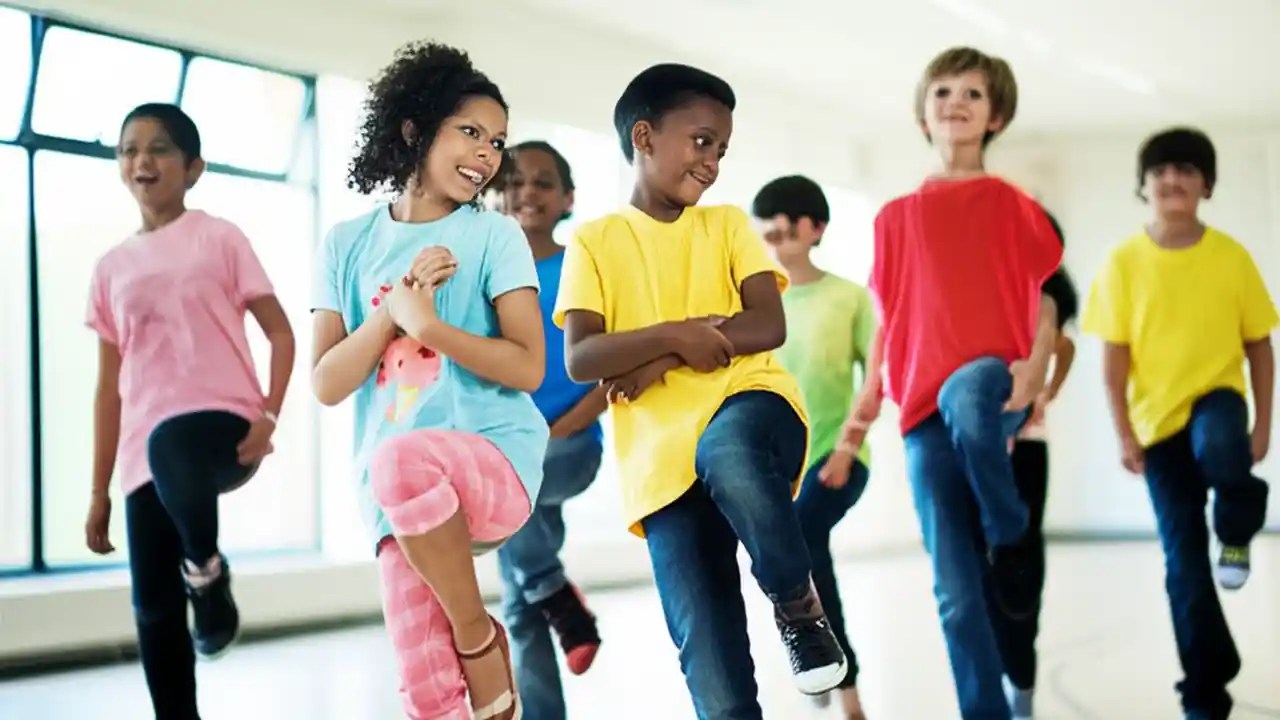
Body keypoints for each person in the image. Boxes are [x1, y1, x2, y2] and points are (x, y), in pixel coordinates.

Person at [554, 63, 847, 720]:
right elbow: (582, 356)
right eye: (701, 141)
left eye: (721, 149)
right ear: (645, 136)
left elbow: (766, 325)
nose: (712, 162)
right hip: (659, 465)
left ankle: (799, 608)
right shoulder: (595, 241)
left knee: (730, 455)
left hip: (751, 402)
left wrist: (654, 359)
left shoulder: (728, 227)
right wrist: (680, 335)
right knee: (711, 667)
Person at [310, 42, 548, 720]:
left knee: (402, 459)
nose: (487, 154)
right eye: (470, 132)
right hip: (393, 494)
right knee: (425, 690)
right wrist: (391, 312)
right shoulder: (346, 244)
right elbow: (327, 382)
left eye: (497, 141)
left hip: (493, 461)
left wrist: (431, 326)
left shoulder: (495, 238)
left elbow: (528, 364)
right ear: (415, 130)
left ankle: (477, 636)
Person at [844, 46, 1063, 719]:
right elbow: (889, 311)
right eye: (942, 91)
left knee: (969, 397)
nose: (956, 102)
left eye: (972, 93)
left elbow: (1048, 300)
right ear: (923, 113)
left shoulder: (1015, 205)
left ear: (995, 115)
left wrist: (1036, 368)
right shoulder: (893, 218)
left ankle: (1005, 522)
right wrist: (869, 394)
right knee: (956, 592)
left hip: (992, 382)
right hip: (918, 406)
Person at [84, 102, 295, 720]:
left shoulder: (219, 237)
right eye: (128, 149)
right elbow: (108, 386)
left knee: (170, 442)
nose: (140, 161)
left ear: (193, 167)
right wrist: (99, 491)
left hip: (222, 428)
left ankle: (204, 573)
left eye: (158, 149)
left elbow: (281, 333)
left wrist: (271, 416)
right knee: (151, 605)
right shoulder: (110, 269)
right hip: (144, 450)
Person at [1081, 126, 1275, 720]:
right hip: (1156, 428)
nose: (1172, 180)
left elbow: (1260, 348)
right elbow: (1113, 359)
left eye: (1186, 170)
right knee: (1184, 565)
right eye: (1161, 171)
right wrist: (1124, 434)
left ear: (1206, 185)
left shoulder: (1231, 256)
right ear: (1144, 186)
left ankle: (1237, 530)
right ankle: (1205, 687)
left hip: (1217, 400)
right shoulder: (1123, 262)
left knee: (1220, 442)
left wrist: (1263, 426)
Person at [750, 174, 874, 720]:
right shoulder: (757, 302)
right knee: (800, 556)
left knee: (803, 538)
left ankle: (842, 682)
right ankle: (823, 658)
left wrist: (849, 446)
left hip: (838, 456)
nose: (777, 237)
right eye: (767, 231)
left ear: (816, 227)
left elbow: (877, 377)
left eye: (787, 226)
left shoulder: (849, 298)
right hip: (776, 467)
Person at [497, 140, 608, 720]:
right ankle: (550, 596)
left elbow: (611, 372)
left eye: (542, 183)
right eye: (513, 181)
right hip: (507, 452)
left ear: (567, 198)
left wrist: (553, 431)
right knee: (515, 607)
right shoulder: (484, 271)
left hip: (569, 447)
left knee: (510, 499)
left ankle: (554, 590)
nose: (526, 193)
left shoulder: (582, 267)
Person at [989, 210, 1079, 720]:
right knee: (983, 561)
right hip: (977, 444)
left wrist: (1046, 394)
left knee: (1022, 556)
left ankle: (1021, 675)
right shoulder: (981, 283)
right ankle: (1002, 665)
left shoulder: (1048, 298)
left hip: (1025, 445)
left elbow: (1063, 348)